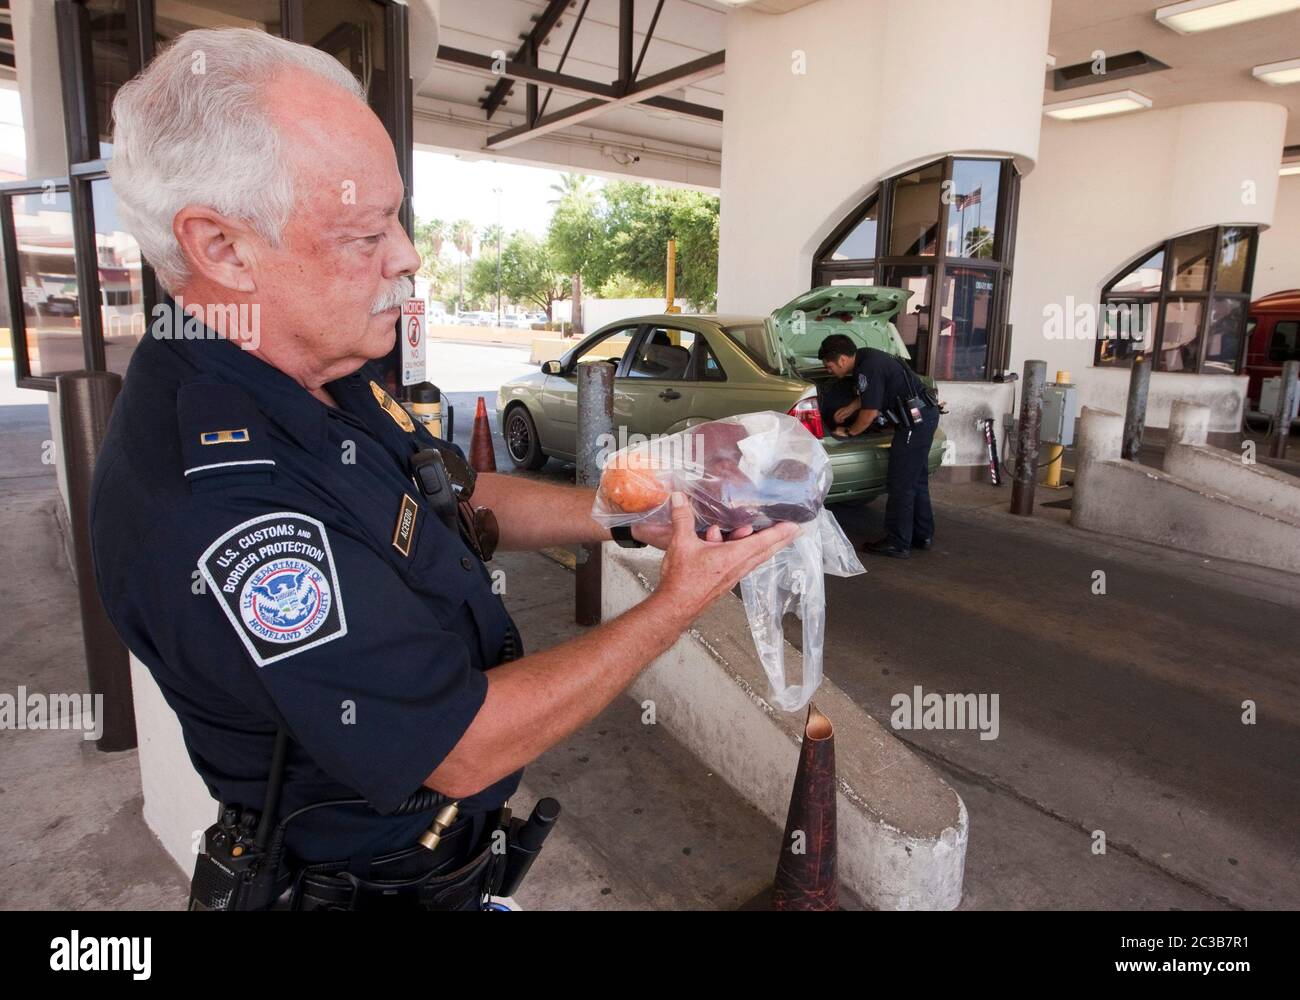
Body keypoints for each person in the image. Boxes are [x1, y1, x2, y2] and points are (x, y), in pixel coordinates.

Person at [90, 28, 796, 909]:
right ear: (224, 249)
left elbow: (444, 490)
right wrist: (677, 603)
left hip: (452, 859)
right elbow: (459, 745)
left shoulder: (320, 365)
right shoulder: (221, 502)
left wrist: (623, 512)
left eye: (398, 216)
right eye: (364, 230)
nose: (408, 255)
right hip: (368, 889)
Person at [817, 334, 940, 558]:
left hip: (914, 423)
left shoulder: (867, 368)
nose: (828, 371)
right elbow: (873, 392)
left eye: (829, 365)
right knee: (917, 479)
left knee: (901, 482)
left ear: (843, 360)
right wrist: (851, 408)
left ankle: (898, 542)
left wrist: (849, 432)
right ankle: (922, 535)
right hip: (924, 415)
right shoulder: (869, 357)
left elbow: (871, 412)